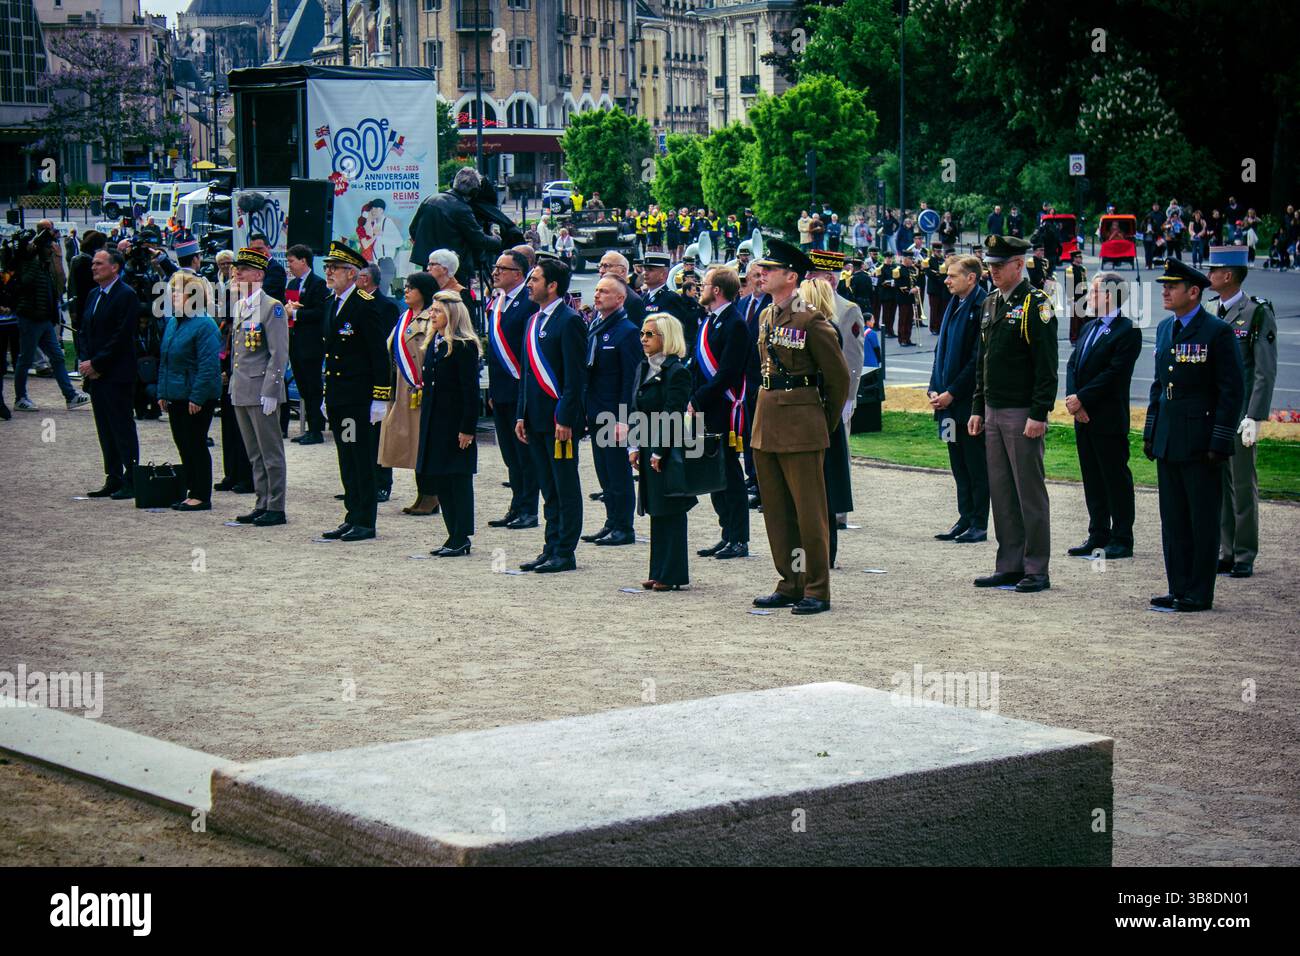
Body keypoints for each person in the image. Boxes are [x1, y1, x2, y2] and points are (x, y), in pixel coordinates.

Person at [749, 238, 850, 615]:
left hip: (802, 424)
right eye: (762, 269)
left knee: (810, 513)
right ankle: (791, 581)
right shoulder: (766, 317)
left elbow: (838, 379)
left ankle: (817, 588)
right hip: (768, 421)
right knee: (778, 513)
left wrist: (821, 422)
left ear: (791, 277)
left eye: (770, 270)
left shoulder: (811, 320)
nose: (762, 274)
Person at [1144, 259, 1244, 612]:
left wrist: (1220, 439)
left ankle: (1199, 592)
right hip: (1170, 437)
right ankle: (1178, 587)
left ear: (1194, 292)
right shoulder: (1164, 329)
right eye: (1164, 286)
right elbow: (1160, 385)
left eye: (1172, 286)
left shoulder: (1215, 332)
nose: (1165, 292)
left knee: (1201, 519)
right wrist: (1151, 430)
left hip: (1201, 440)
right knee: (1172, 519)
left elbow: (1232, 391)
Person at [968, 234, 1058, 593]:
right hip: (993, 408)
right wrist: (977, 406)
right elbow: (983, 362)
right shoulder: (991, 303)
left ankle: (1036, 567)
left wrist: (1039, 412)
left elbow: (1046, 366)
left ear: (1019, 265)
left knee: (1028, 492)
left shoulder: (1037, 304)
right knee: (1002, 490)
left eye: (999, 265)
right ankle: (1009, 563)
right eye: (989, 265)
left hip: (1022, 411)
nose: (992, 271)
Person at [1206, 245, 1277, 579]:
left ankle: (1245, 553)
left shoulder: (1256, 313)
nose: (1209, 275)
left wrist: (1255, 415)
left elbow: (1264, 370)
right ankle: (1227, 550)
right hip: (1215, 414)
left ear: (1228, 275)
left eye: (1214, 270)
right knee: (1219, 484)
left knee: (1243, 486)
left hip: (1240, 415)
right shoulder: (1210, 310)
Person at [515, 257, 588, 573]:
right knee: (547, 485)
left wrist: (566, 418)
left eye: (535, 279)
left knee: (564, 485)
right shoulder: (533, 322)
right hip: (536, 419)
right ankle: (550, 544)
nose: (530, 284)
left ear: (552, 285)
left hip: (559, 421)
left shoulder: (569, 321)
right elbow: (527, 374)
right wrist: (521, 414)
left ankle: (565, 550)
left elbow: (575, 378)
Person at [1063, 273, 1143, 559]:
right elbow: (1073, 365)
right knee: (1092, 478)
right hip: (1082, 417)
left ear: (1110, 295)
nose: (1089, 297)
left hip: (1106, 417)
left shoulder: (1127, 331)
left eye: (1094, 291)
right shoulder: (1088, 327)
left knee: (1114, 479)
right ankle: (1098, 533)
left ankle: (1122, 537)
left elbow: (1114, 374)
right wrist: (1074, 399)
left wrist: (1083, 399)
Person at [320, 240, 391, 542]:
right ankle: (352, 514)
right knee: (345, 457)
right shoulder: (331, 303)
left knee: (360, 457)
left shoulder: (364, 305)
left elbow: (378, 354)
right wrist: (327, 394)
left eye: (334, 268)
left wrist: (380, 396)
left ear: (352, 273)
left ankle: (365, 519)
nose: (329, 272)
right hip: (338, 395)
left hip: (357, 398)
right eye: (327, 267)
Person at [629, 314, 696, 590]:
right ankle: (658, 570)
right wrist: (633, 446)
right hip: (646, 444)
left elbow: (672, 414)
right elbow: (634, 407)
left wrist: (659, 451)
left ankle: (673, 574)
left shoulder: (676, 371)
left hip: (667, 447)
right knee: (656, 508)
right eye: (643, 334)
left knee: (671, 508)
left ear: (666, 338)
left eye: (650, 334)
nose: (644, 339)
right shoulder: (643, 366)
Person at [689, 266, 750, 561]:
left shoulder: (734, 324)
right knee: (713, 474)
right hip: (707, 407)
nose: (700, 287)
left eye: (705, 283)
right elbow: (697, 366)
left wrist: (698, 398)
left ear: (717, 290)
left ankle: (739, 537)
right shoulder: (709, 320)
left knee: (730, 474)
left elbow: (727, 373)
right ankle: (725, 533)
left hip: (725, 408)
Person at [415, 290, 482, 556]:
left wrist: (467, 428)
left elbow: (470, 391)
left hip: (454, 424)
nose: (432, 315)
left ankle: (461, 535)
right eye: (432, 310)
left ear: (452, 314)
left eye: (438, 311)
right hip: (435, 423)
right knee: (442, 479)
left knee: (458, 480)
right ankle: (451, 533)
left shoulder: (463, 345)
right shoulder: (436, 343)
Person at [929, 254, 990, 543]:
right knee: (958, 463)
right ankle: (964, 517)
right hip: (946, 404)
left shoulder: (982, 306)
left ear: (971, 278)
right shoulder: (954, 303)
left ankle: (979, 522)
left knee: (975, 463)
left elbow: (977, 360)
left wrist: (951, 392)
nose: (947, 280)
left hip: (966, 403)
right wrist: (933, 387)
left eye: (953, 275)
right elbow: (940, 352)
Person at [227, 247, 289, 527]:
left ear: (258, 275)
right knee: (254, 452)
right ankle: (261, 500)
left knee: (270, 451)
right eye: (236, 269)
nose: (237, 273)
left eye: (243, 270)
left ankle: (276, 505)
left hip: (262, 388)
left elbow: (278, 353)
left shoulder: (271, 307)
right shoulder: (240, 306)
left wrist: (271, 391)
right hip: (242, 387)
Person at [797, 272, 855, 566]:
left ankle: (825, 554)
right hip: (815, 417)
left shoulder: (823, 328)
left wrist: (828, 415)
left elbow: (836, 378)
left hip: (819, 416)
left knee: (824, 491)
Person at [580, 275, 642, 547]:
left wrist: (624, 418)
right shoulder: (596, 326)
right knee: (604, 472)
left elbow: (631, 379)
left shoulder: (627, 331)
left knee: (618, 472)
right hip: (595, 410)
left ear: (620, 298)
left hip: (613, 414)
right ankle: (611, 521)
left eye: (604, 292)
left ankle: (623, 526)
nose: (597, 295)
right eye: (596, 290)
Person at [78, 248, 141, 499]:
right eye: (93, 263)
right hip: (95, 373)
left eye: (99, 263)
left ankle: (131, 477)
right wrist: (86, 361)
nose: (93, 267)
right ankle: (113, 476)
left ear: (115, 267)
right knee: (104, 427)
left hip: (116, 373)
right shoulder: (94, 294)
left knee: (121, 427)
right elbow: (84, 331)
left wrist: (98, 363)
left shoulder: (126, 295)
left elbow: (122, 336)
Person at [157, 271, 222, 510]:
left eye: (177, 292)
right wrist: (162, 392)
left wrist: (197, 396)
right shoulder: (174, 322)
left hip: (195, 397)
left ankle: (201, 494)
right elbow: (165, 360)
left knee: (195, 443)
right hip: (175, 393)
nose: (172, 296)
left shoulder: (204, 324)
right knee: (182, 443)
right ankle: (189, 489)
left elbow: (208, 366)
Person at [378, 271, 441, 516]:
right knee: (412, 445)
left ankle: (431, 495)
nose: (406, 291)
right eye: (406, 287)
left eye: (411, 288)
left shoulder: (431, 318)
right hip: (402, 387)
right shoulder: (404, 316)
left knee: (423, 443)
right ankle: (422, 493)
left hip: (421, 388)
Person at [484, 249, 539, 529]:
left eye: (501, 269)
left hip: (521, 389)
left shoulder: (529, 304)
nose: (495, 273)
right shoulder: (498, 301)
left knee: (525, 454)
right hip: (501, 390)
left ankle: (529, 508)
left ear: (518, 274)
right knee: (509, 454)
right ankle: (516, 505)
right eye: (495, 268)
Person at [13, 229, 90, 412]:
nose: (53, 249)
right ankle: (20, 397)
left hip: (44, 318)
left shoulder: (43, 263)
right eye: (50, 247)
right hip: (31, 318)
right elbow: (25, 283)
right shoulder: (31, 263)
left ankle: (70, 395)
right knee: (25, 359)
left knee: (57, 356)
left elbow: (57, 285)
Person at [409, 166, 503, 287]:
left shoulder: (430, 200)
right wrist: (497, 239)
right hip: (454, 269)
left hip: (428, 266)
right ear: (473, 192)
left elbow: (413, 230)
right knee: (455, 303)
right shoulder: (462, 209)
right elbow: (479, 239)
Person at [356, 263, 401, 502]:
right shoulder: (352, 303)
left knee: (378, 435)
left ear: (367, 279)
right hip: (357, 377)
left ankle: (383, 482)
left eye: (359, 276)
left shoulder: (386, 306)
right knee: (356, 436)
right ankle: (360, 483)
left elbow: (384, 346)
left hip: (377, 376)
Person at [284, 244, 329, 445]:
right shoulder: (292, 284)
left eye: (292, 261)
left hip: (311, 343)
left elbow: (320, 312)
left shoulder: (318, 284)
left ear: (304, 261)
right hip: (294, 341)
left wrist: (296, 313)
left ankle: (316, 428)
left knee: (313, 386)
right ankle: (309, 427)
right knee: (303, 386)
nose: (290, 265)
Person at [640, 253, 696, 345]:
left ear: (663, 274)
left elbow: (679, 331)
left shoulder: (671, 299)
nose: (645, 273)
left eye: (650, 270)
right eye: (645, 269)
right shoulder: (644, 298)